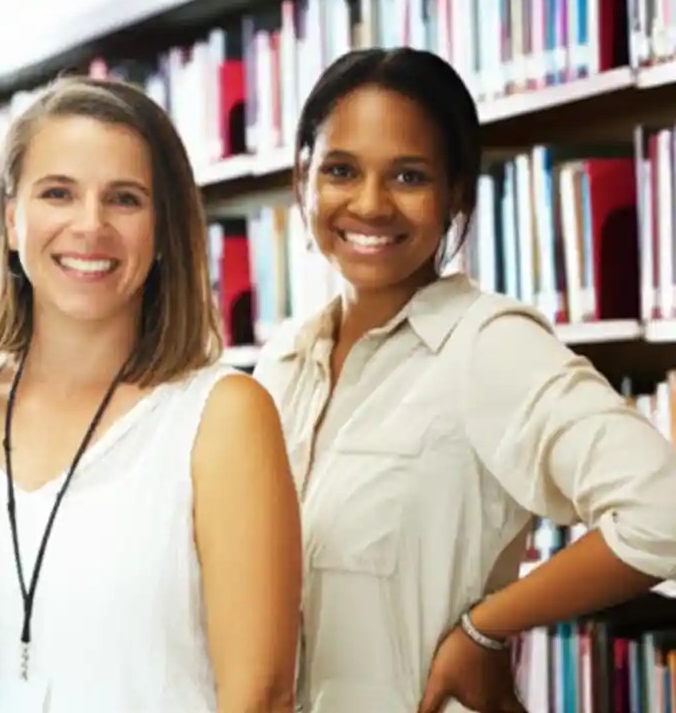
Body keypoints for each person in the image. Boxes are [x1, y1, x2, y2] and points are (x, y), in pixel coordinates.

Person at [253, 46, 676, 713]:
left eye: (409, 177)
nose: (370, 204)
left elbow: (664, 511)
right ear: (301, 177)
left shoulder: (488, 346)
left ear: (456, 193)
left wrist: (486, 628)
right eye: (340, 170)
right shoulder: (281, 362)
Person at [0, 75, 302, 712]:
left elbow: (261, 695)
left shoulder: (221, 417)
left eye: (125, 199)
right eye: (58, 193)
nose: (90, 226)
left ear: (165, 231)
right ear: (12, 220)